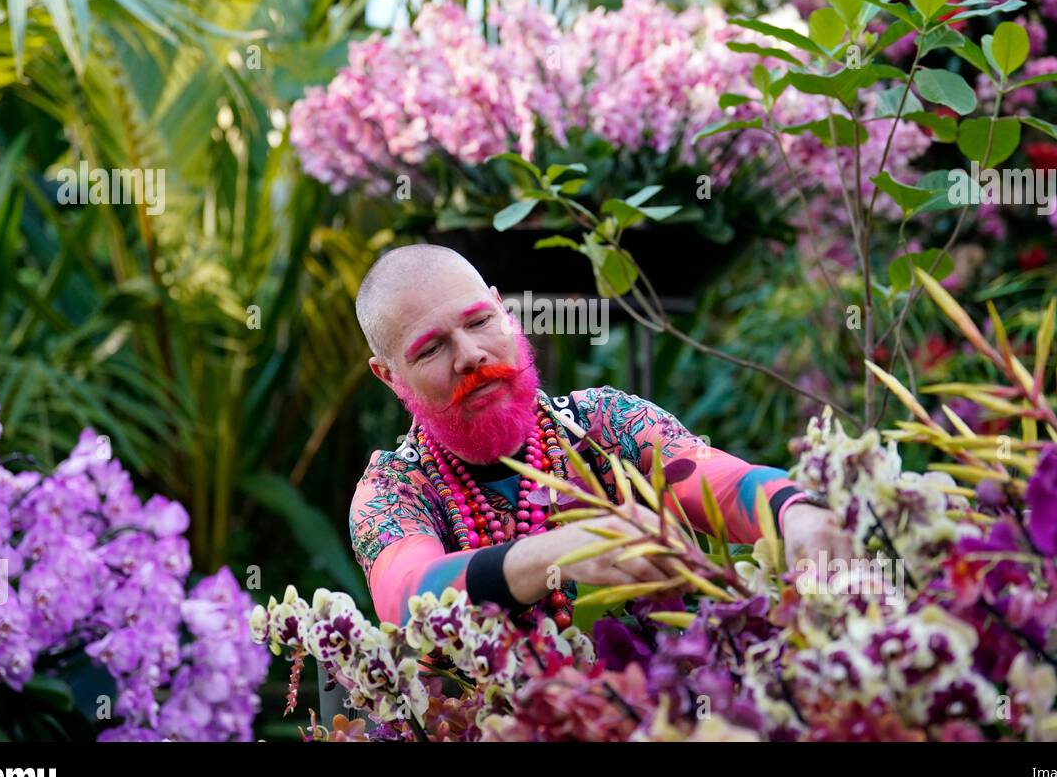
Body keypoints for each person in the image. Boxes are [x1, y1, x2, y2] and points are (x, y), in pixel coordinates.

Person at [348, 244, 851, 627]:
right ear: (388, 375)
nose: (471, 355)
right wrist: (558, 551)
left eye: (480, 321)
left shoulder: (604, 423)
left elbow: (713, 479)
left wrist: (796, 512)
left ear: (504, 311)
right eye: (430, 349)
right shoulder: (394, 488)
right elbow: (410, 597)